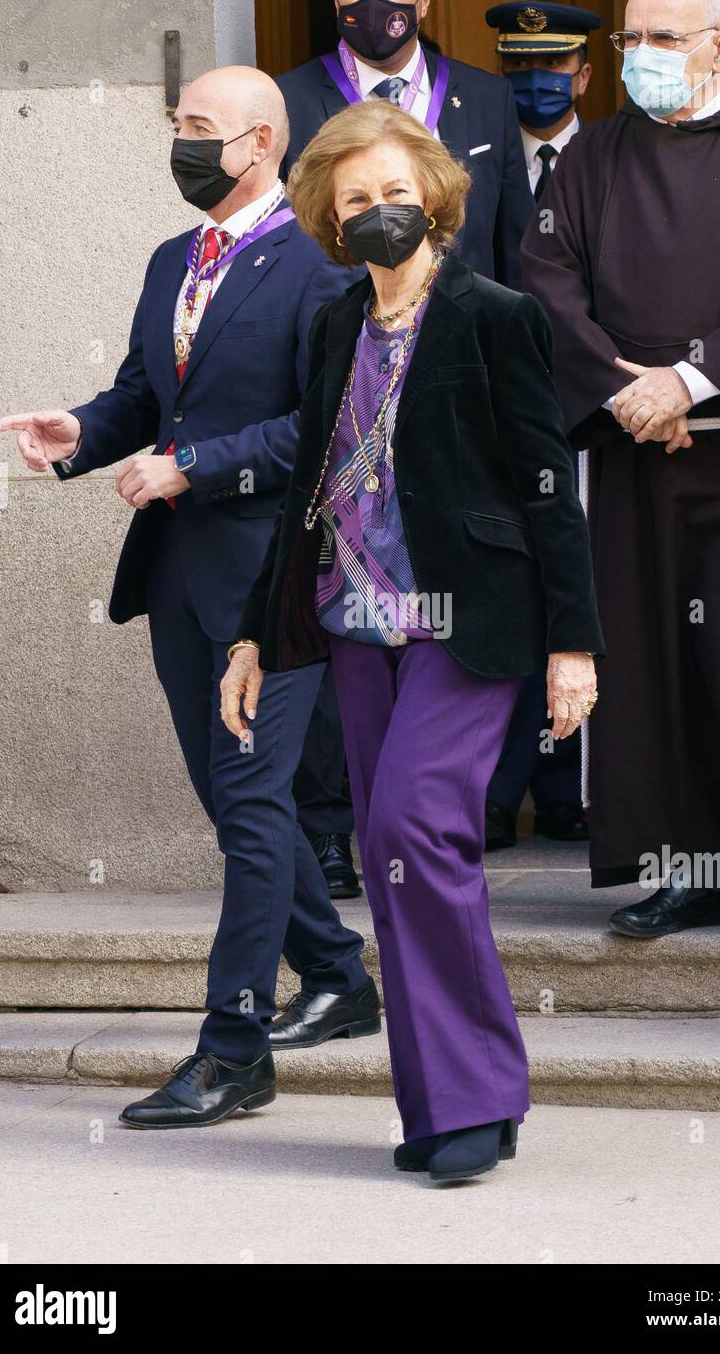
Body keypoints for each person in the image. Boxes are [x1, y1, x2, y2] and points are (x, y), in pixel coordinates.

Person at [0, 67, 380, 1129]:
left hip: (277, 578)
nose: (180, 142)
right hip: (176, 573)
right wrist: (79, 432)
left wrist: (196, 463)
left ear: (258, 144)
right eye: (177, 125)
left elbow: (328, 427)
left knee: (254, 804)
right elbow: (140, 395)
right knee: (230, 800)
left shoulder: (321, 265)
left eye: (196, 128)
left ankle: (234, 1046)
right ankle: (339, 974)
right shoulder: (174, 260)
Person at [220, 100, 603, 1181]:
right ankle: (443, 1106)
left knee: (412, 826)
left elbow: (547, 493)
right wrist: (255, 636)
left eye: (396, 194)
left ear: (431, 198)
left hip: (466, 622)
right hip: (353, 624)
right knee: (392, 862)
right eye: (356, 201)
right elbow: (304, 488)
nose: (379, 212)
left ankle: (477, 1092)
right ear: (330, 221)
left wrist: (573, 644)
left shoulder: (493, 316)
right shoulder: (335, 322)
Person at [521, 0, 720, 936]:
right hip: (632, 451)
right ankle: (690, 867)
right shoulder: (593, 158)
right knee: (653, 660)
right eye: (630, 40)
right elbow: (546, 280)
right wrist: (624, 392)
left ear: (717, 44)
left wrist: (689, 383)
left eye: (663, 37)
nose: (641, 57)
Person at [483, 0, 602, 850]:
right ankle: (498, 794)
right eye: (519, 68)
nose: (536, 82)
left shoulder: (614, 158)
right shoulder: (479, 157)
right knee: (510, 591)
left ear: (584, 74)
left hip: (601, 407)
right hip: (498, 404)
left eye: (553, 67)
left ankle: (574, 789)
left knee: (585, 590)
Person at [275, 0, 534, 291]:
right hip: (342, 327)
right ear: (336, 0)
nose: (373, 3)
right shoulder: (288, 100)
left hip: (466, 323)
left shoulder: (488, 96)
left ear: (424, 0)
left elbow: (516, 240)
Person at [485, 0, 601, 199]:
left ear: (583, 77)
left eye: (552, 62)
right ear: (501, 74)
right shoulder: (482, 163)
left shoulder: (607, 159)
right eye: (519, 63)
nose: (535, 80)